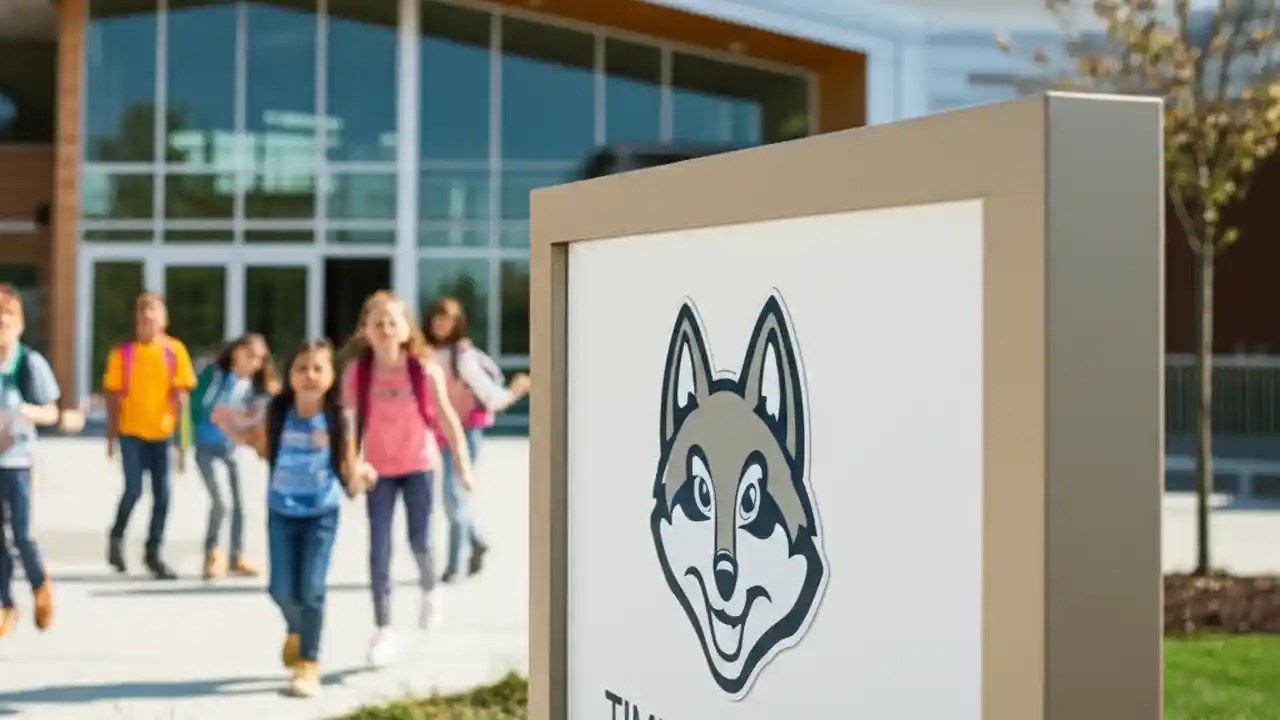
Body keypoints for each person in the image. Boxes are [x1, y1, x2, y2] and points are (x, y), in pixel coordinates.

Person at [219, 339, 373, 698]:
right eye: (302, 368)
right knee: (281, 589)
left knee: (312, 588)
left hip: (321, 512)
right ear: (289, 374)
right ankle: (297, 628)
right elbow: (260, 445)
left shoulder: (338, 418)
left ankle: (309, 663)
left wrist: (361, 478)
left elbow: (349, 467)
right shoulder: (277, 411)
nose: (310, 375)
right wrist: (233, 430)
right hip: (282, 511)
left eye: (318, 368)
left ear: (332, 375)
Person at [341, 291, 475, 668]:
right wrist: (353, 465)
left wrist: (462, 463)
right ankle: (384, 628)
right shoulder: (358, 373)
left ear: (405, 329)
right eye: (377, 322)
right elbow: (348, 424)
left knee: (419, 540)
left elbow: (448, 417)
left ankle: (431, 588)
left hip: (418, 465)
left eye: (392, 322)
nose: (385, 328)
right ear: (366, 330)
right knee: (379, 549)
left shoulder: (423, 368)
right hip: (378, 472)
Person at [424, 297, 530, 582]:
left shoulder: (463, 357)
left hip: (466, 434)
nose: (441, 324)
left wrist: (515, 392)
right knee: (452, 497)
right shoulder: (426, 353)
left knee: (453, 496)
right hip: (442, 433)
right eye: (437, 318)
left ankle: (454, 567)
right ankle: (477, 539)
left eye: (447, 319)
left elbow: (491, 398)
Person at [103, 292, 197, 580]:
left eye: (153, 311)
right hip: (131, 433)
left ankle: (153, 552)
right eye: (142, 312)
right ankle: (117, 538)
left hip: (162, 434)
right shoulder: (123, 353)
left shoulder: (174, 352)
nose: (147, 317)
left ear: (164, 319)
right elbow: (113, 396)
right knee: (133, 489)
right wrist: (111, 435)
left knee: (163, 496)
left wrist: (183, 445)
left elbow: (183, 398)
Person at [191, 333, 279, 580]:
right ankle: (212, 553)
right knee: (221, 501)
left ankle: (237, 555)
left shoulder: (253, 387)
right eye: (249, 355)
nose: (252, 363)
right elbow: (197, 405)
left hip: (233, 449)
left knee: (241, 503)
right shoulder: (216, 375)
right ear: (236, 352)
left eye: (258, 359)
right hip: (206, 447)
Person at [0, 289, 63, 638]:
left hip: (18, 461)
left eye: (7, 321)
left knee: (22, 534)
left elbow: (52, 411)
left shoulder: (29, 363)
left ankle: (40, 586)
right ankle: (5, 604)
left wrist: (27, 412)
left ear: (18, 325)